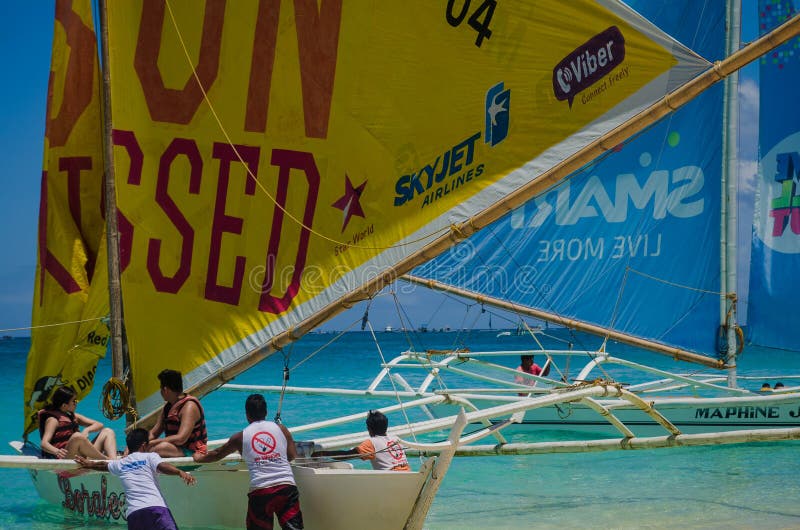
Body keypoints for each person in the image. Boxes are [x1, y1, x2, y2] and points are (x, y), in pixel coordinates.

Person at [194, 394, 303, 530]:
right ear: (266, 412)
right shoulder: (281, 429)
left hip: (261, 491)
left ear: (247, 415)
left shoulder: (240, 437)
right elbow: (292, 455)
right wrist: (272, 458)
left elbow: (217, 454)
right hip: (286, 488)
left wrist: (198, 457)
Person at [77, 428, 196, 530]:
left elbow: (104, 465)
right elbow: (162, 466)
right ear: (144, 445)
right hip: (156, 508)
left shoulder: (122, 463)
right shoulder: (150, 456)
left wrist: (88, 464)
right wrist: (179, 472)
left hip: (134, 514)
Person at [312, 410, 410, 471]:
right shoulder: (395, 439)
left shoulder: (372, 443)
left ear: (369, 429)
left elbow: (347, 455)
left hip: (390, 481)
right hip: (407, 476)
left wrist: (323, 453)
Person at [38, 385, 117, 460]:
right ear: (64, 405)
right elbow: (44, 444)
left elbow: (99, 425)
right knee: (77, 437)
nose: (76, 403)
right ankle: (108, 460)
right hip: (67, 459)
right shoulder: (53, 420)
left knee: (107, 431)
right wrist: (57, 451)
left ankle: (114, 462)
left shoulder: (73, 416)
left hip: (82, 455)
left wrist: (87, 430)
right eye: (74, 401)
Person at [148, 369, 208, 457]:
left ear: (165, 390)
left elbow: (181, 439)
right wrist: (138, 443)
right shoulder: (168, 407)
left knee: (161, 447)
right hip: (177, 450)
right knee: (148, 446)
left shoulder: (189, 406)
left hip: (194, 453)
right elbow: (153, 433)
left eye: (160, 389)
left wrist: (153, 442)